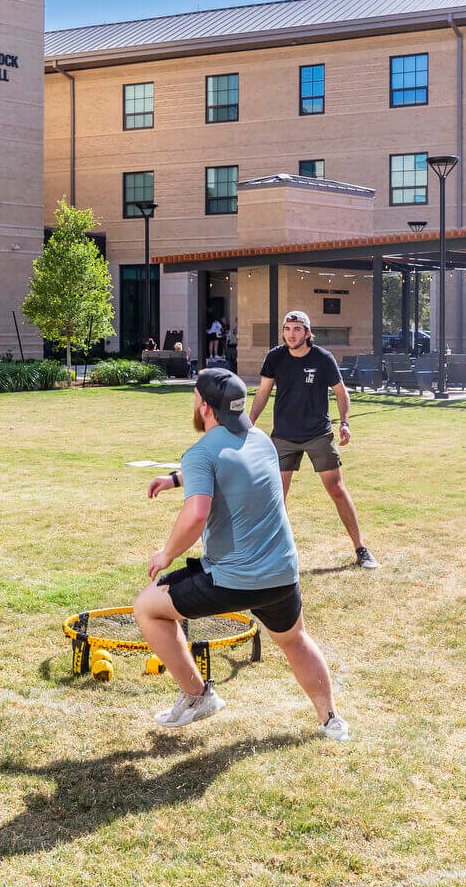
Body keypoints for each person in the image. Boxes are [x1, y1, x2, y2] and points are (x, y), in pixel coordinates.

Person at [132, 368, 350, 739]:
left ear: (204, 407)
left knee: (147, 607)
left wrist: (166, 553)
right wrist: (174, 479)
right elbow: (230, 465)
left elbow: (197, 513)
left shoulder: (201, 452)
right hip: (281, 574)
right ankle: (332, 720)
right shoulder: (261, 440)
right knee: (294, 639)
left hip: (232, 580)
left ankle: (197, 695)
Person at [249, 310, 379, 570]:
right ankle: (277, 552)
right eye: (287, 329)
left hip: (318, 434)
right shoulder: (275, 356)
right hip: (284, 436)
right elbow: (263, 393)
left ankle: (361, 548)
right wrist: (248, 424)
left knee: (336, 489)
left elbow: (342, 394)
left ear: (308, 333)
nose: (291, 334)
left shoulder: (322, 358)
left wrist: (344, 423)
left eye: (297, 329)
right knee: (277, 496)